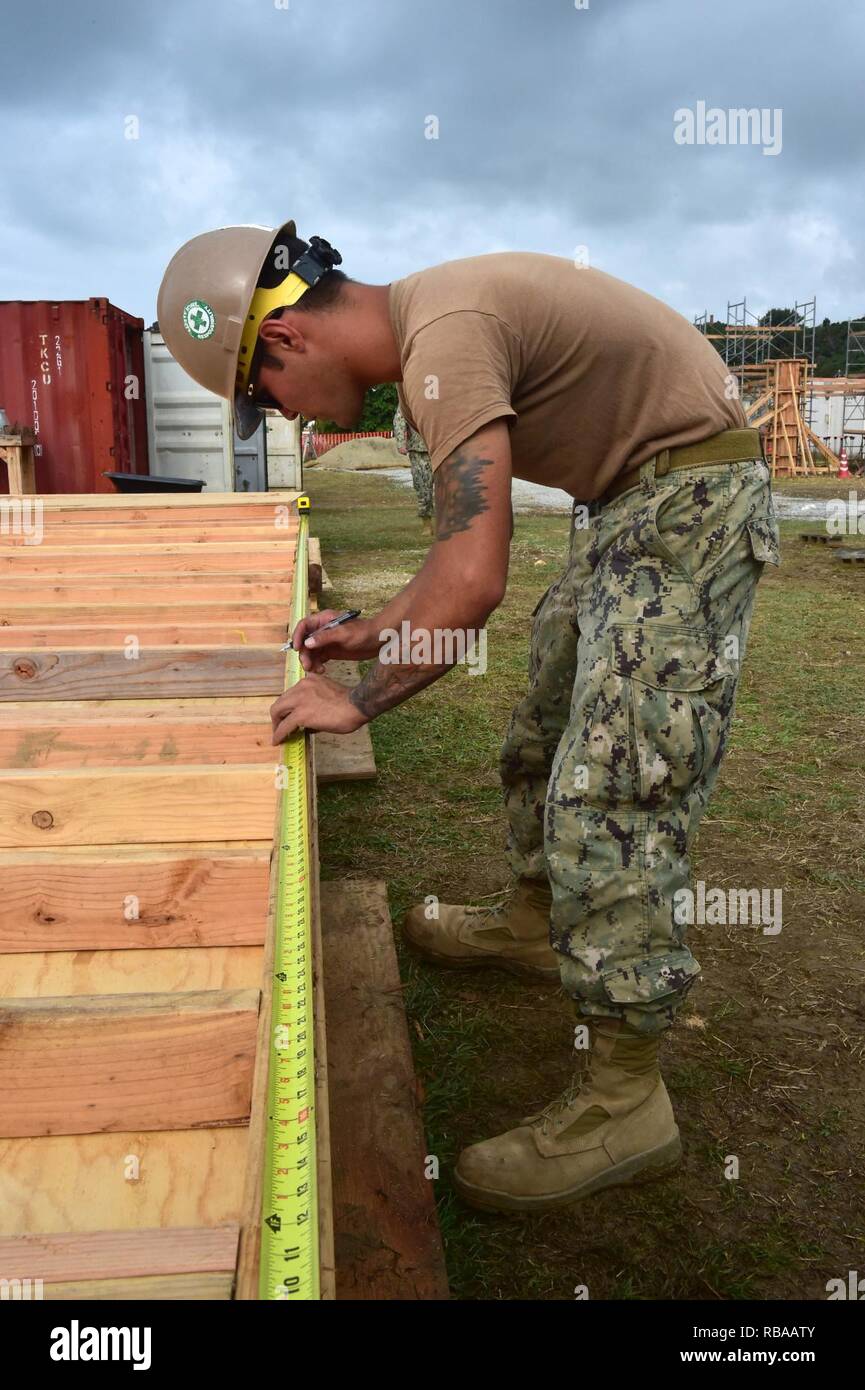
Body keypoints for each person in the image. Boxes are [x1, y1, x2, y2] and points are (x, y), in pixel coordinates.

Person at [158, 219, 780, 1213]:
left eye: (267, 403)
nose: (290, 422)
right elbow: (449, 569)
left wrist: (355, 703)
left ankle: (628, 1098)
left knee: (614, 787)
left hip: (687, 504)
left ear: (282, 343)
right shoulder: (429, 335)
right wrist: (370, 634)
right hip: (632, 503)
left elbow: (470, 583)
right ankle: (537, 923)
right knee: (538, 736)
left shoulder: (443, 340)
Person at [393, 403, 434, 531]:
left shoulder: (444, 394)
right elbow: (400, 418)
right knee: (423, 487)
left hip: (442, 447)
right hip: (418, 450)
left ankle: (450, 522)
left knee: (449, 488)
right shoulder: (410, 396)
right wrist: (401, 442)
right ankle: (426, 524)